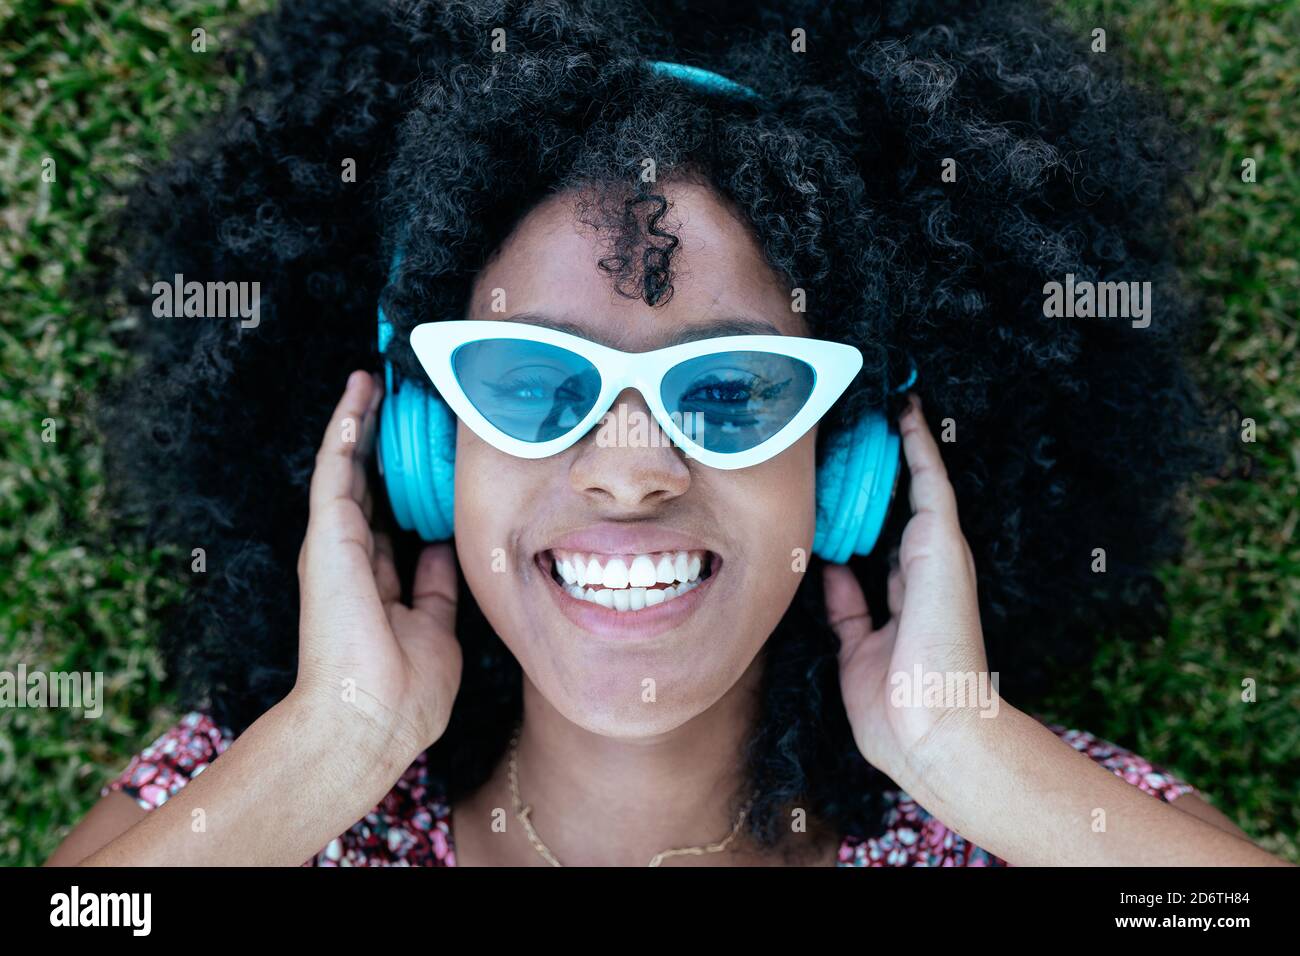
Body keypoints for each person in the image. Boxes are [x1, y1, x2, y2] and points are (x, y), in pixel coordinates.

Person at [47, 0, 1289, 866]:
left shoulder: (1015, 815)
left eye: (738, 387)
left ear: (845, 469)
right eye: (529, 379)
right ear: (425, 447)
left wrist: (965, 750)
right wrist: (335, 743)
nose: (633, 466)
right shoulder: (263, 802)